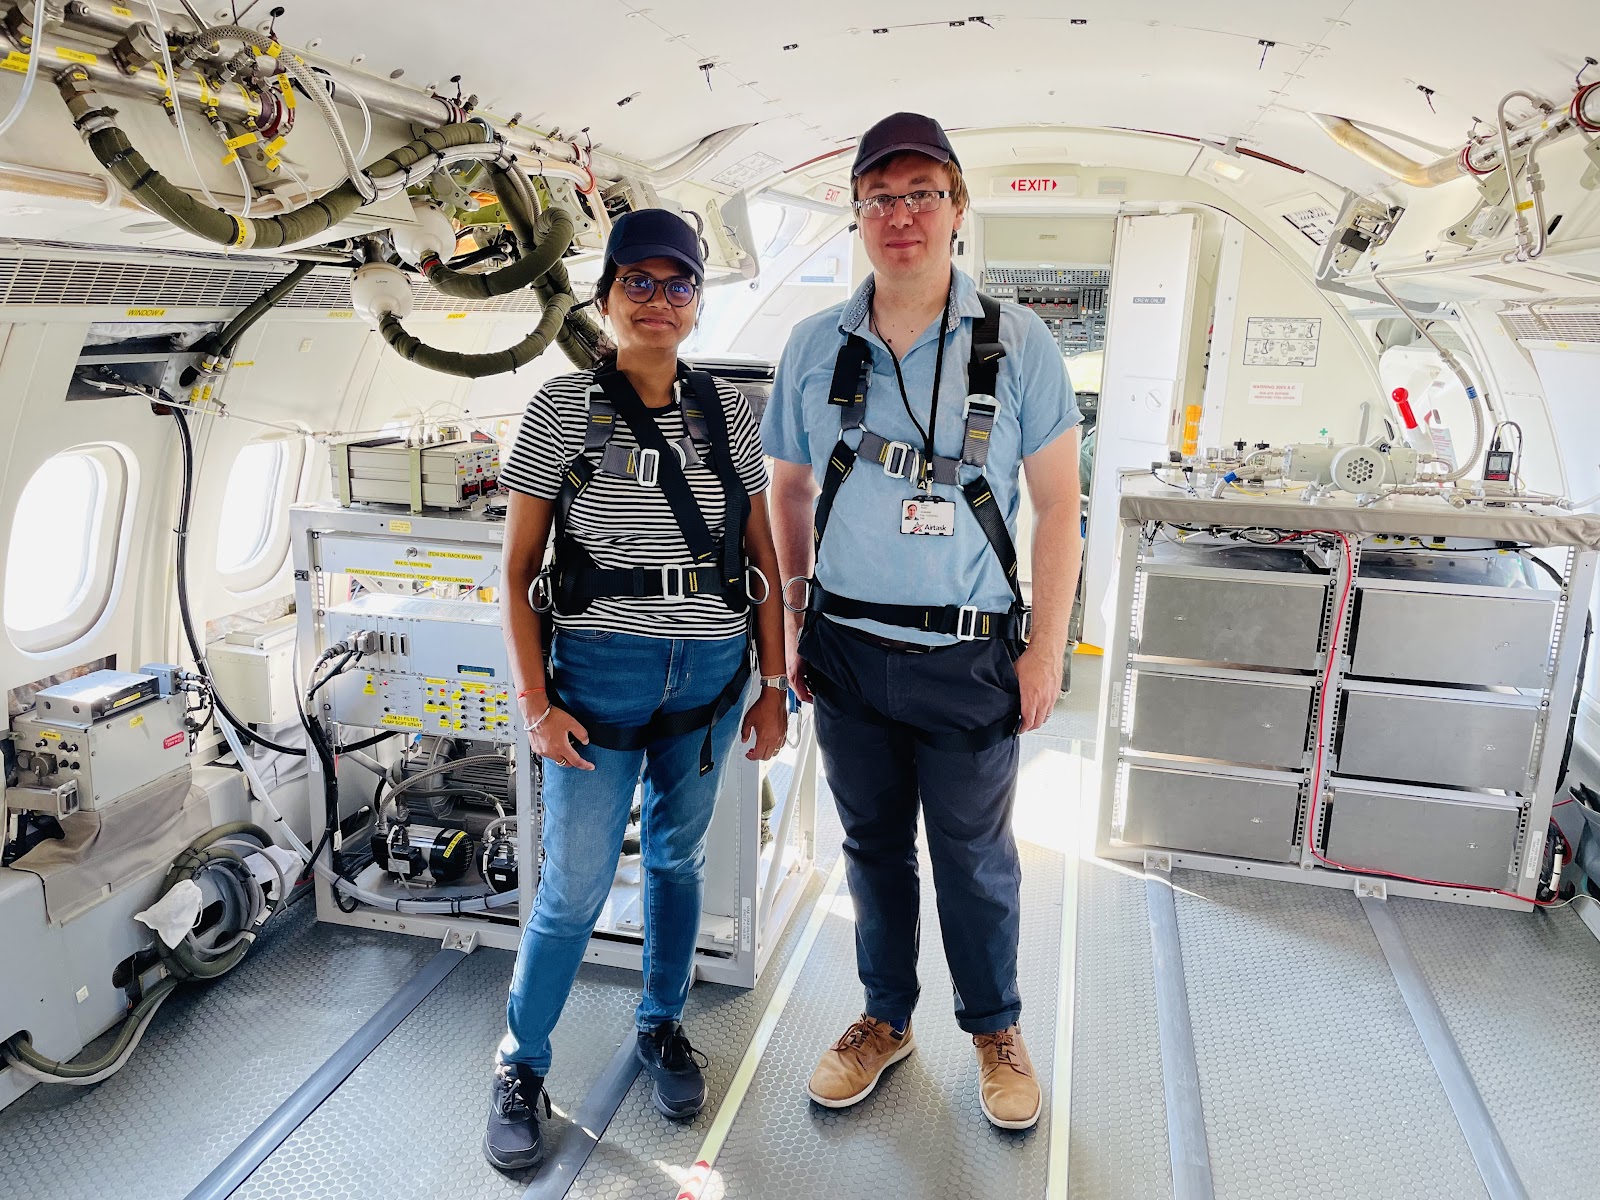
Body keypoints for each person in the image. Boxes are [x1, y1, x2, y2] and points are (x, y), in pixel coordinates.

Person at [764, 113, 1082, 1130]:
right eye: (879, 198)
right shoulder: (813, 347)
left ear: (956, 209)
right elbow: (787, 492)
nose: (900, 216)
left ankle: (993, 1026)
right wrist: (795, 630)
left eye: (921, 194)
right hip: (848, 650)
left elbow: (1061, 507)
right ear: (855, 214)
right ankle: (883, 1019)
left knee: (973, 858)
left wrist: (1045, 652)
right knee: (869, 849)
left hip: (968, 652)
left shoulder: (1021, 344)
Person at [487, 208, 790, 1172]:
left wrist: (774, 684)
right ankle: (521, 1064)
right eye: (639, 283)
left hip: (706, 677)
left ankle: (662, 1024)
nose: (659, 302)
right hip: (599, 678)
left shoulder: (727, 414)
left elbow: (762, 558)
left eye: (679, 285)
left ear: (698, 303)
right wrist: (536, 705)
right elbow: (518, 570)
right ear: (607, 296)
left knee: (676, 864)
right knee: (573, 890)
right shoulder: (559, 409)